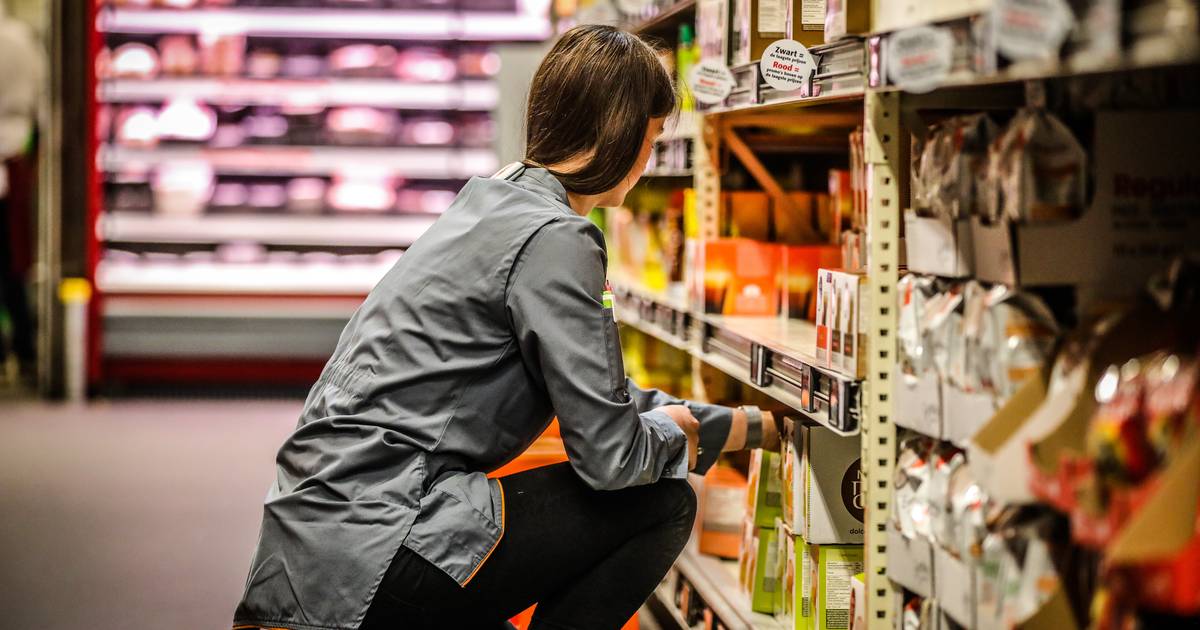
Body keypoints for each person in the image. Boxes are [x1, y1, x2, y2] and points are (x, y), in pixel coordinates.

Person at [233, 25, 779, 630]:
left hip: (309, 541)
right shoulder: (558, 238)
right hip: (378, 548)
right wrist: (678, 439)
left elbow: (598, 396)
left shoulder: (493, 200)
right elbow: (611, 457)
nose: (646, 165)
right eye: (649, 143)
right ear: (620, 136)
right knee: (658, 500)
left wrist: (748, 425)